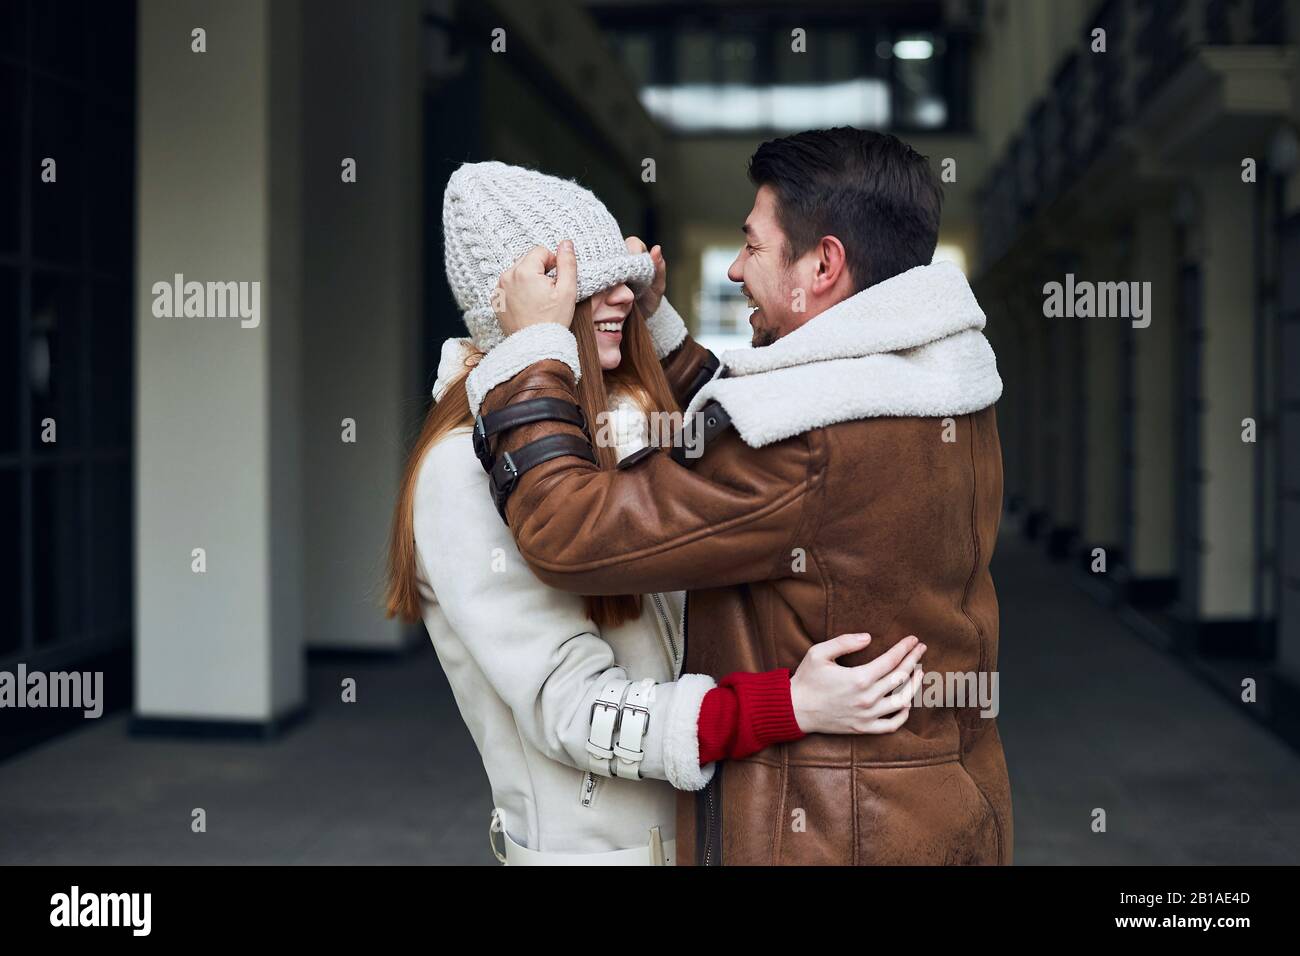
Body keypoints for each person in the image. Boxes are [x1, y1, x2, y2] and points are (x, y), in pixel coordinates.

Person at [466, 128, 1012, 865]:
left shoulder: (810, 446)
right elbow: (770, 430)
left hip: (834, 835)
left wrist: (531, 355)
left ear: (823, 264)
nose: (732, 268)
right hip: (934, 808)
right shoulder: (934, 384)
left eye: (752, 247)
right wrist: (660, 335)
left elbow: (572, 536)